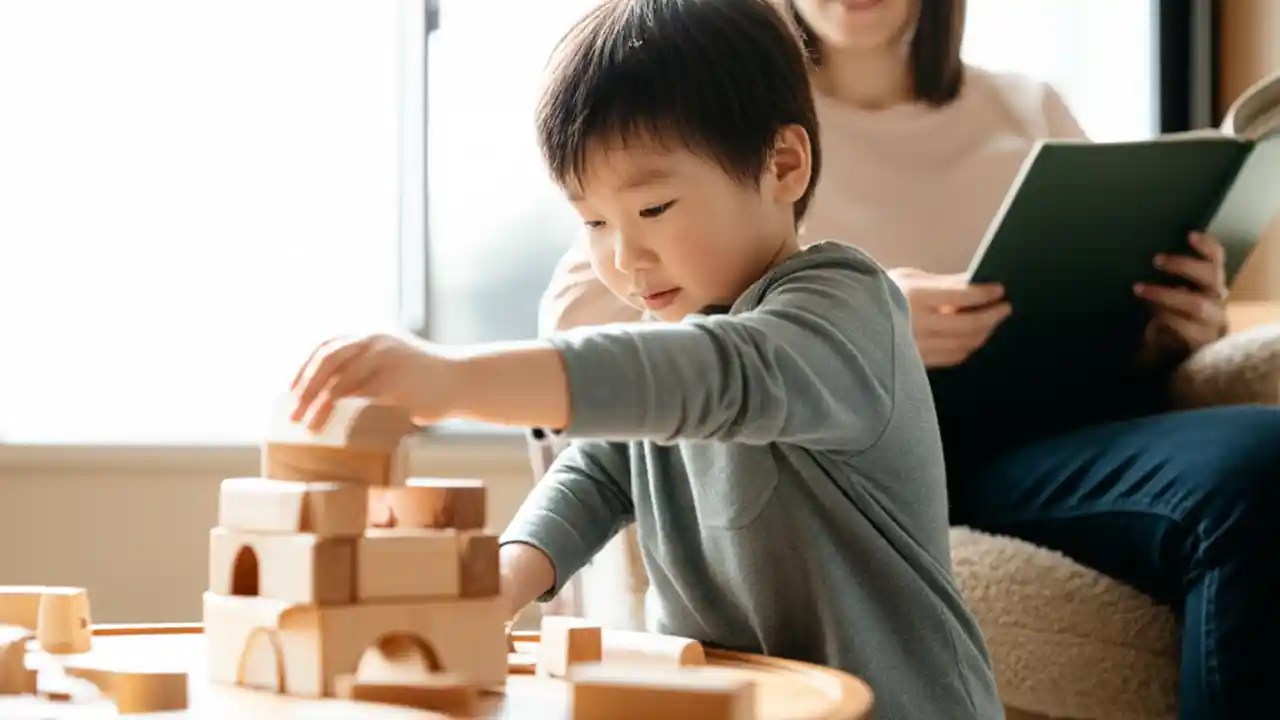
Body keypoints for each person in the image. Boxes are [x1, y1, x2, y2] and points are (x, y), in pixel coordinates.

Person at [538, 1, 1280, 718]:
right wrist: (876, 322)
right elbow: (589, 321)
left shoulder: (1027, 107)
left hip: (1054, 434)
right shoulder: (712, 116)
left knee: (1258, 459)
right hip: (852, 463)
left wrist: (1175, 321)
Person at [289, 0, 1004, 716]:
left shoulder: (845, 311)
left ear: (783, 165)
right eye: (593, 222)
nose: (624, 257)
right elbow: (599, 469)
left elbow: (712, 375)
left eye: (653, 209)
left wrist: (452, 381)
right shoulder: (678, 340)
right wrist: (501, 582)